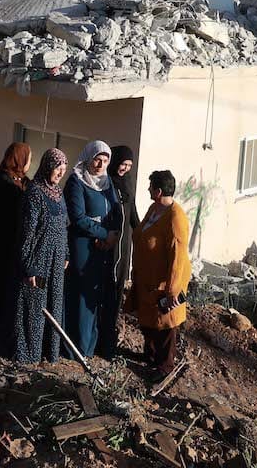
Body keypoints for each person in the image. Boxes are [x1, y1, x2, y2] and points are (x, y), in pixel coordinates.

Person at [126, 170, 191, 379]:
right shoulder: (155, 209)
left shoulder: (175, 218)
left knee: (166, 324)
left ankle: (165, 365)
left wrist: (173, 289)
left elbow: (178, 256)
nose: (148, 190)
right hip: (147, 278)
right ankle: (151, 356)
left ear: (159, 190)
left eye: (151, 186)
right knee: (149, 320)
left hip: (164, 283)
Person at [64, 141, 121, 360]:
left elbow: (115, 211)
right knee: (80, 296)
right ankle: (75, 347)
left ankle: (89, 347)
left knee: (94, 298)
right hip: (83, 248)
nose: (100, 164)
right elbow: (77, 217)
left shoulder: (107, 183)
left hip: (102, 249)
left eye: (106, 160)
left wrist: (111, 236)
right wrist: (103, 233)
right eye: (98, 159)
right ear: (89, 157)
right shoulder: (76, 181)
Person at [12, 148, 69, 364]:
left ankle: (50, 352)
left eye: (64, 168)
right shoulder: (35, 193)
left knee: (53, 305)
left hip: (56, 263)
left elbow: (65, 225)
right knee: (36, 307)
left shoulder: (58, 193)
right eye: (57, 168)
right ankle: (30, 355)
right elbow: (27, 233)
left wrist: (66, 253)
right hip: (39, 262)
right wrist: (29, 267)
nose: (60, 172)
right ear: (47, 167)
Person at [0, 142, 31, 353]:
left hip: (13, 241)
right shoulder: (3, 180)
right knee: (0, 282)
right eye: (28, 158)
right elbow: (11, 209)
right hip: (3, 240)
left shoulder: (19, 179)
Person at [100, 145, 140, 359]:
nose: (124, 168)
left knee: (117, 288)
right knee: (104, 287)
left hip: (124, 246)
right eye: (122, 164)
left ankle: (110, 333)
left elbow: (132, 209)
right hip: (108, 243)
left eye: (129, 165)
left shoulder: (127, 182)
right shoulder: (104, 182)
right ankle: (99, 332)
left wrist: (141, 232)